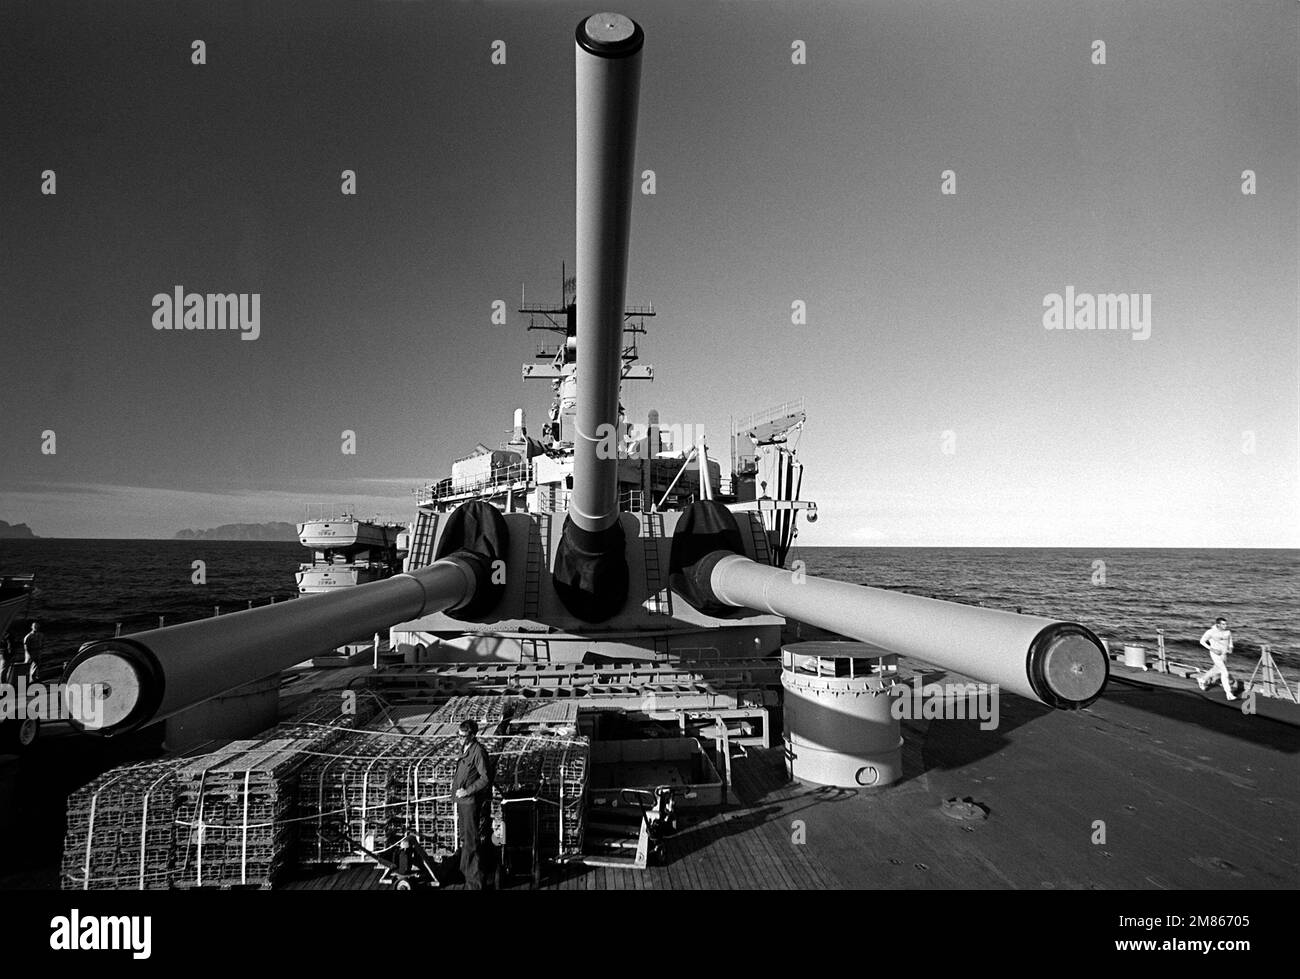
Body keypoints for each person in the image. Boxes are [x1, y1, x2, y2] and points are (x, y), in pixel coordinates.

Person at [452, 719, 493, 889]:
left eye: (463, 736)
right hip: (461, 802)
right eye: (458, 736)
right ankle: (464, 872)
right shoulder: (465, 748)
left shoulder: (478, 752)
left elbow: (485, 778)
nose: (460, 739)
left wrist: (467, 790)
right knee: (464, 839)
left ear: (473, 735)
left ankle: (474, 884)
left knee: (471, 842)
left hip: (469, 802)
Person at [1197, 616, 1236, 700]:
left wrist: (1231, 648)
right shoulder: (1211, 632)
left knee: (1216, 669)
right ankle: (1229, 693)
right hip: (1215, 654)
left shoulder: (1228, 632)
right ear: (1218, 625)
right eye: (1223, 624)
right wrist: (1212, 649)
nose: (1225, 625)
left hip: (1224, 654)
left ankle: (1202, 680)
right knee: (1224, 672)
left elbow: (1230, 642)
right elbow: (1202, 641)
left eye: (1226, 624)